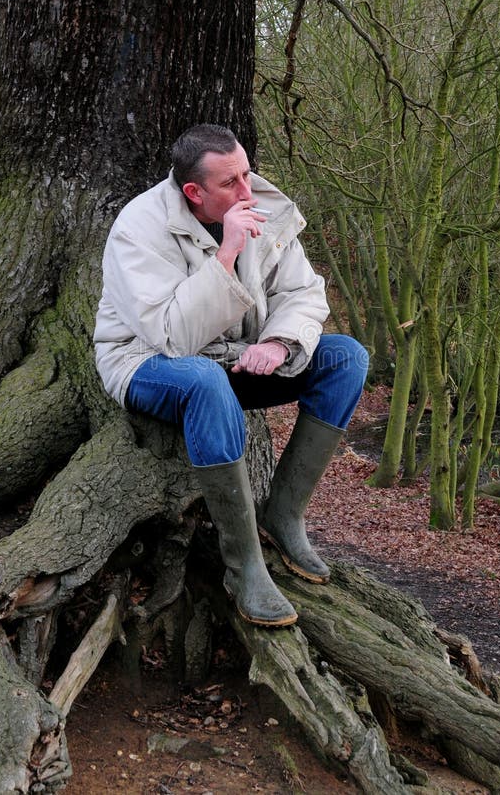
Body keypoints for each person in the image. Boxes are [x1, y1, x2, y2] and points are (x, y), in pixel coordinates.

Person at [94, 124, 368, 628]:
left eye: (247, 173)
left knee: (346, 358)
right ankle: (245, 567)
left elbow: (304, 293)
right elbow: (173, 337)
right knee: (202, 378)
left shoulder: (264, 206)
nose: (248, 191)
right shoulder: (139, 229)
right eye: (231, 183)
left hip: (237, 355)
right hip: (147, 362)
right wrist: (226, 256)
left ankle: (283, 515)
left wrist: (277, 342)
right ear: (193, 192)